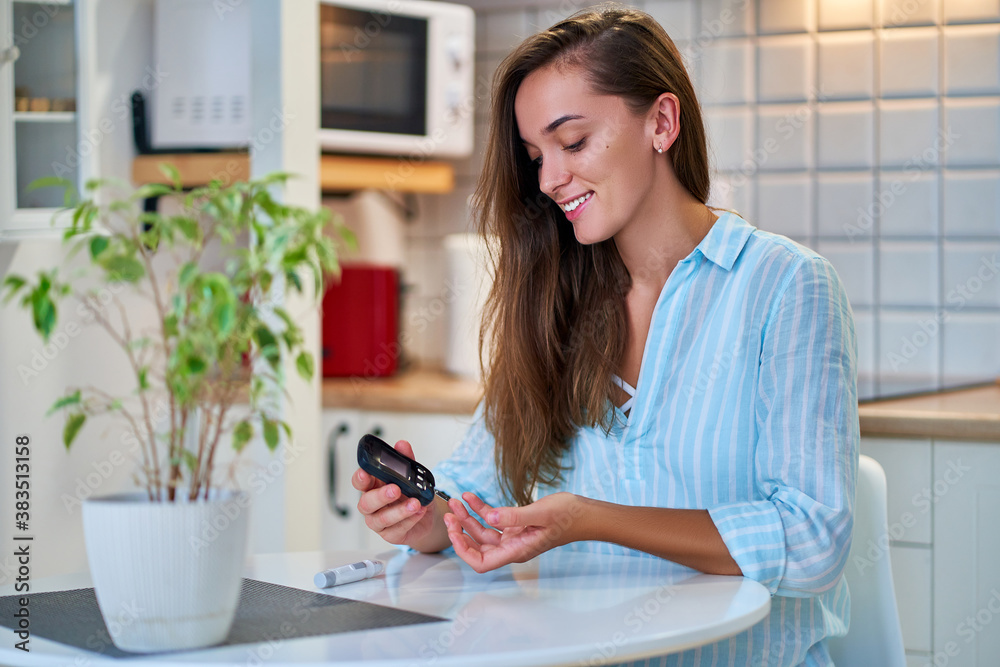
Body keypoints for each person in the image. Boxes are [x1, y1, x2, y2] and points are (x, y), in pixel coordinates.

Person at [352, 5, 859, 665]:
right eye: (536, 155)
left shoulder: (785, 286)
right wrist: (424, 519)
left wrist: (588, 517)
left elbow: (814, 539)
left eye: (573, 141)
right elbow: (475, 486)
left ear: (662, 122)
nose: (548, 178)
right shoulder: (556, 304)